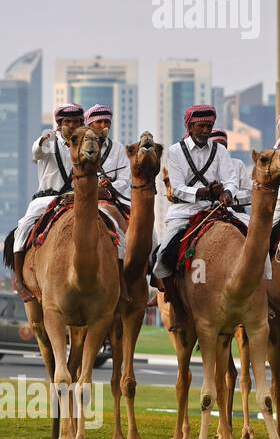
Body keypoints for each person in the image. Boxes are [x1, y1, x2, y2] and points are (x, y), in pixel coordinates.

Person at [153, 105, 238, 330]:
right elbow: (178, 188)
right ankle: (178, 307)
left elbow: (231, 180)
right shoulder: (174, 152)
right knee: (162, 257)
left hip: (216, 210)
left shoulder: (220, 151)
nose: (206, 130)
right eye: (201, 126)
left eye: (209, 126)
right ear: (190, 127)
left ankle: (259, 298)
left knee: (254, 242)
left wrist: (227, 193)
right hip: (184, 212)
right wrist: (203, 191)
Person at [10, 103, 84, 300]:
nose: (71, 125)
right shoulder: (51, 141)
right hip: (47, 198)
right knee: (23, 227)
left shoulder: (84, 143)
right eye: (67, 121)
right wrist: (43, 139)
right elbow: (37, 153)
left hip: (77, 199)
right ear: (59, 123)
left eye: (76, 122)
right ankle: (18, 278)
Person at [85, 104, 132, 210]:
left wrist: (110, 185)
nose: (103, 125)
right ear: (90, 125)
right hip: (85, 196)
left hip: (112, 198)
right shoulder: (79, 148)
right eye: (99, 122)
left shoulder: (119, 148)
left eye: (107, 122)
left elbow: (125, 178)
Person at [209, 129, 253, 223]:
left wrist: (231, 197)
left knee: (254, 231)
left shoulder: (238, 164)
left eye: (223, 146)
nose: (220, 150)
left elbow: (249, 193)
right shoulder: (199, 166)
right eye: (216, 146)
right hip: (207, 212)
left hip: (236, 213)